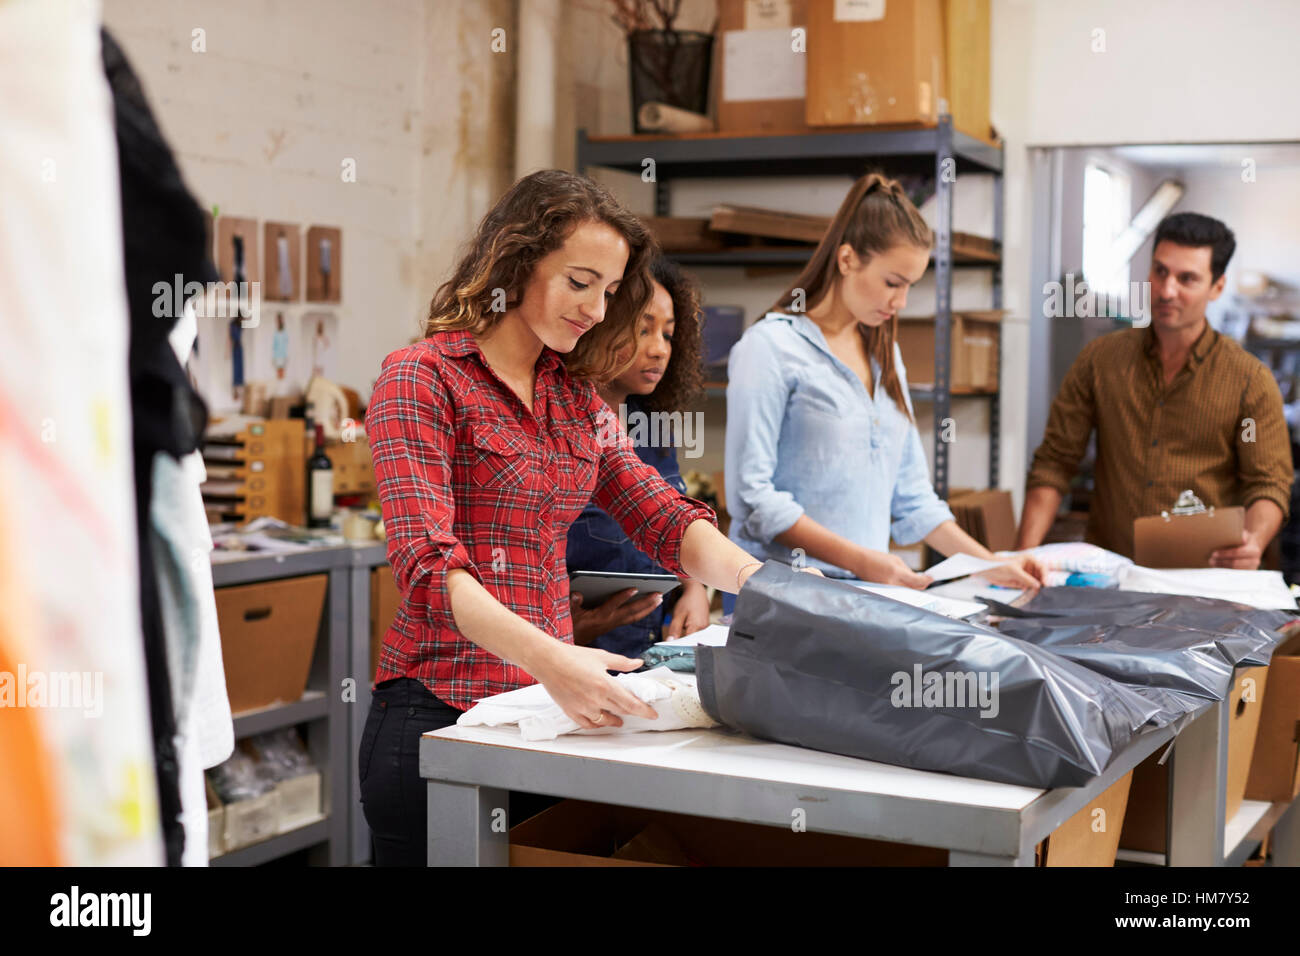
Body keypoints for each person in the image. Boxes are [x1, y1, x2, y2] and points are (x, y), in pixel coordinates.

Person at [361, 170, 799, 866]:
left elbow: (659, 513)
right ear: (514, 262)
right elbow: (429, 570)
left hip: (544, 722)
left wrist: (767, 585)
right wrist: (555, 660)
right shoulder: (421, 378)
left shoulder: (574, 400)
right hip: (438, 714)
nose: (597, 309)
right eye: (579, 282)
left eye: (608, 290)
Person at [726, 171, 1042, 591]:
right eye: (893, 283)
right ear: (846, 259)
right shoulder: (769, 347)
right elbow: (751, 499)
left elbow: (914, 498)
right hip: (781, 590)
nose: (901, 302)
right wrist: (863, 562)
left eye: (910, 285)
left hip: (865, 590)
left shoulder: (883, 355)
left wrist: (991, 565)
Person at [1017, 212, 1293, 567]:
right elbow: (1055, 462)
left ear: (1217, 287)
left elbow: (1268, 483)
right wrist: (1021, 557)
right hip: (1112, 575)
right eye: (1160, 271)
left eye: (1187, 278)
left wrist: (1252, 542)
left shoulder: (1249, 380)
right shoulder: (1100, 361)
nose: (1167, 291)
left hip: (1204, 578)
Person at [566, 256, 713, 655]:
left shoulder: (652, 428)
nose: (659, 350)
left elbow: (674, 520)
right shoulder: (559, 425)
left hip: (644, 655)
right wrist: (562, 633)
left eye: (668, 335)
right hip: (568, 661)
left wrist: (694, 588)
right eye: (643, 329)